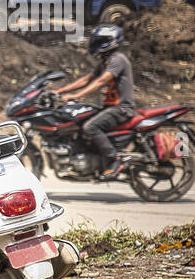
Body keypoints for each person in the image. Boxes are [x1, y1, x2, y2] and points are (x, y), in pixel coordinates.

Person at [53, 24, 135, 178]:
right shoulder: (105, 62)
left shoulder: (118, 60)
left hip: (122, 108)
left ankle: (114, 159)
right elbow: (86, 79)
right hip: (109, 108)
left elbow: (100, 82)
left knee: (90, 127)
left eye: (98, 41)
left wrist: (76, 96)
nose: (94, 44)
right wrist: (60, 91)